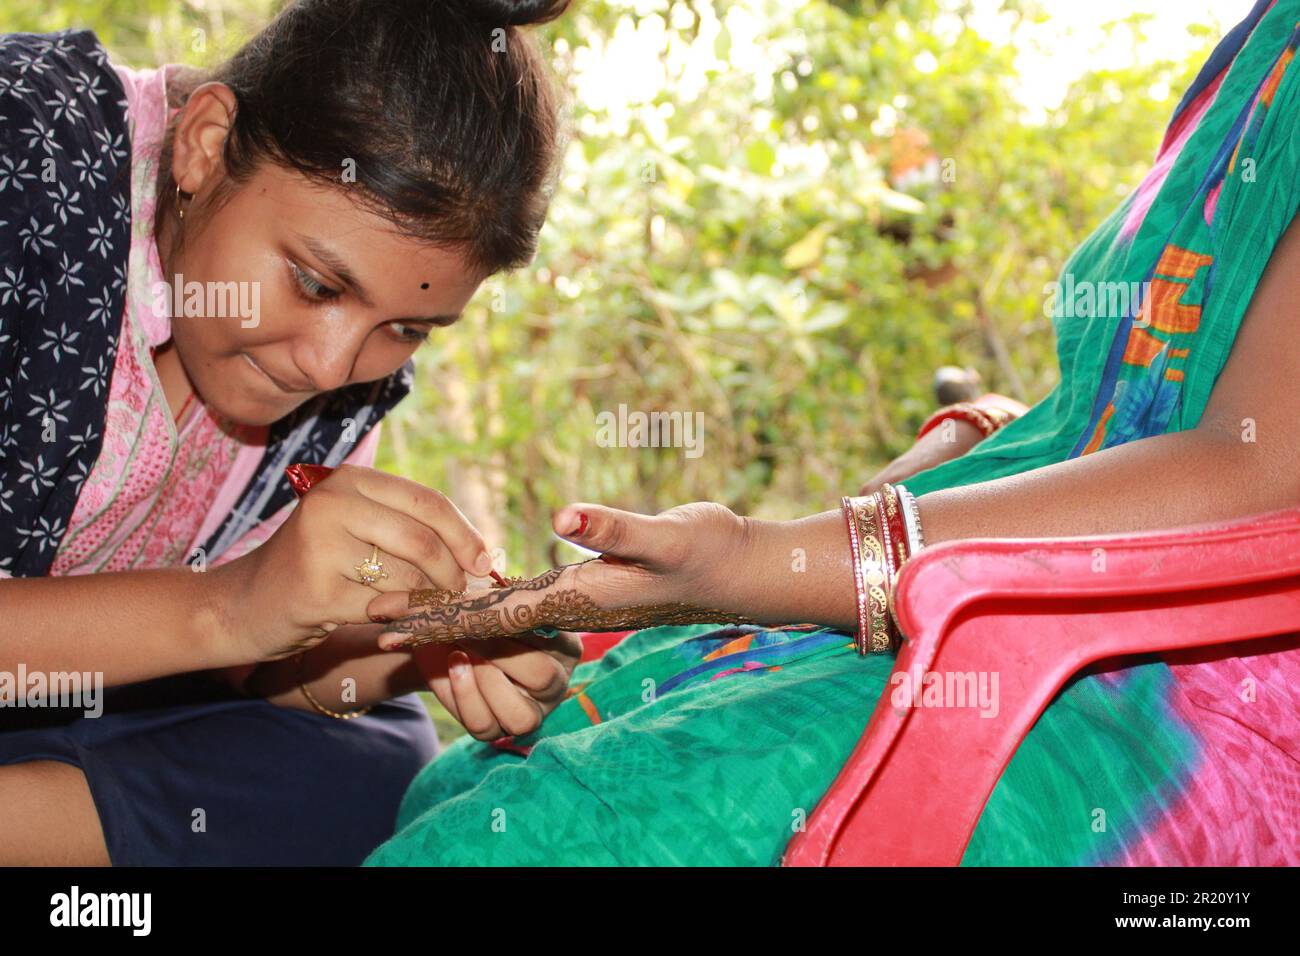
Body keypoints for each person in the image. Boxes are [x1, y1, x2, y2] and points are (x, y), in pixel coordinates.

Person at [364, 0, 1300, 865]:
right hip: (1036, 587)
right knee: (470, 782)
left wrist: (753, 565)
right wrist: (961, 440)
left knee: (537, 836)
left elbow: (1268, 465)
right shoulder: (1254, 55)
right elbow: (1123, 414)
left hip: (1184, 691)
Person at [0, 0, 581, 866]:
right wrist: (224, 608)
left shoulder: (349, 386)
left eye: (408, 328)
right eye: (314, 283)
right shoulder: (29, 166)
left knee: (379, 747)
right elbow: (227, 628)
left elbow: (264, 666)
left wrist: (432, 644)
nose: (331, 366)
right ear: (204, 142)